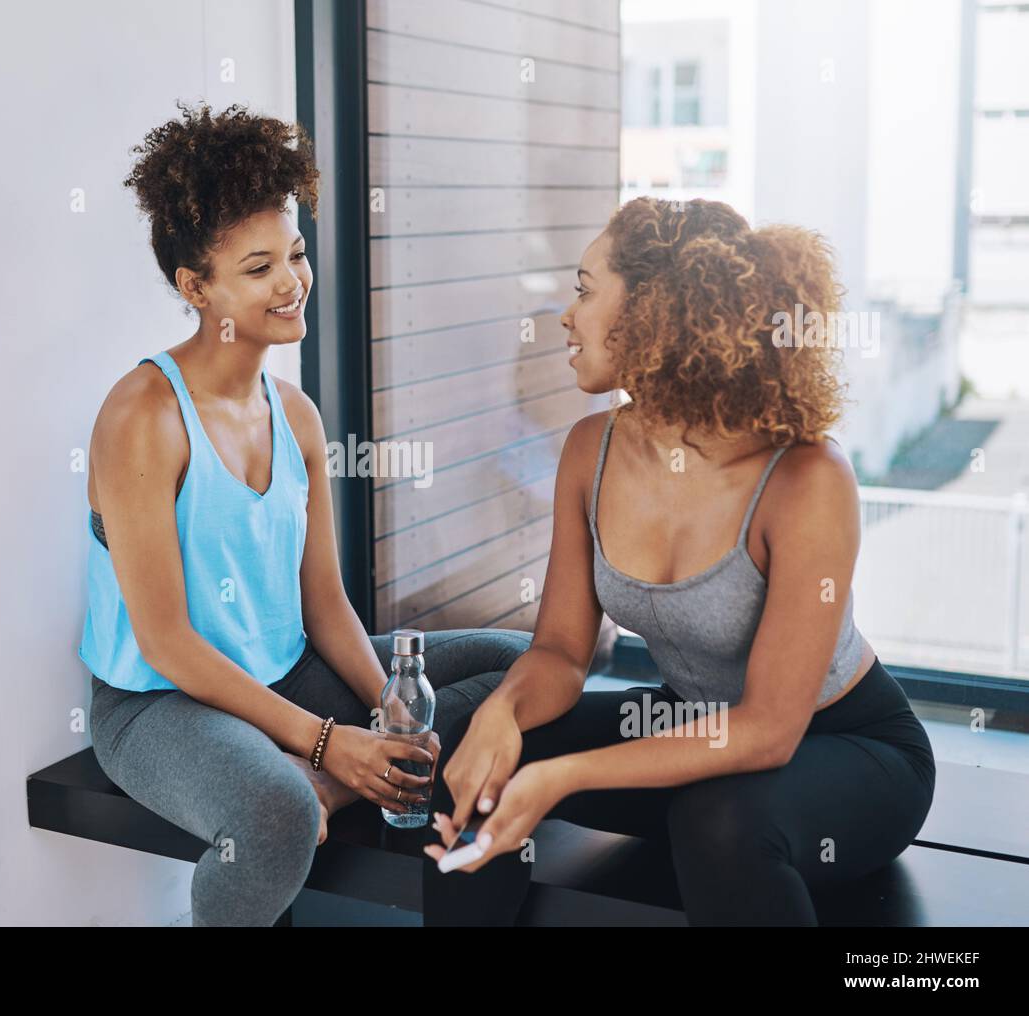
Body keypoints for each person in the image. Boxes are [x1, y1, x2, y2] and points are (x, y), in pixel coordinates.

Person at [421, 196, 937, 926]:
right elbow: (563, 652)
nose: (566, 317)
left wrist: (560, 777)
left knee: (718, 821)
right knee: (476, 758)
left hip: (846, 746)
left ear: (655, 311)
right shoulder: (589, 451)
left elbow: (766, 729)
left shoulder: (806, 476)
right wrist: (504, 714)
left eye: (584, 289)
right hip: (689, 723)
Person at [78, 102, 530, 927]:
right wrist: (329, 741)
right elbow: (166, 641)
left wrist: (385, 712)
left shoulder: (296, 414)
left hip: (287, 672)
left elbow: (324, 603)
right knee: (275, 816)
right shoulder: (141, 414)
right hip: (159, 703)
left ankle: (321, 783)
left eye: (294, 253)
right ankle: (303, 787)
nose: (291, 281)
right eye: (257, 269)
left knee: (522, 666)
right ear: (194, 286)